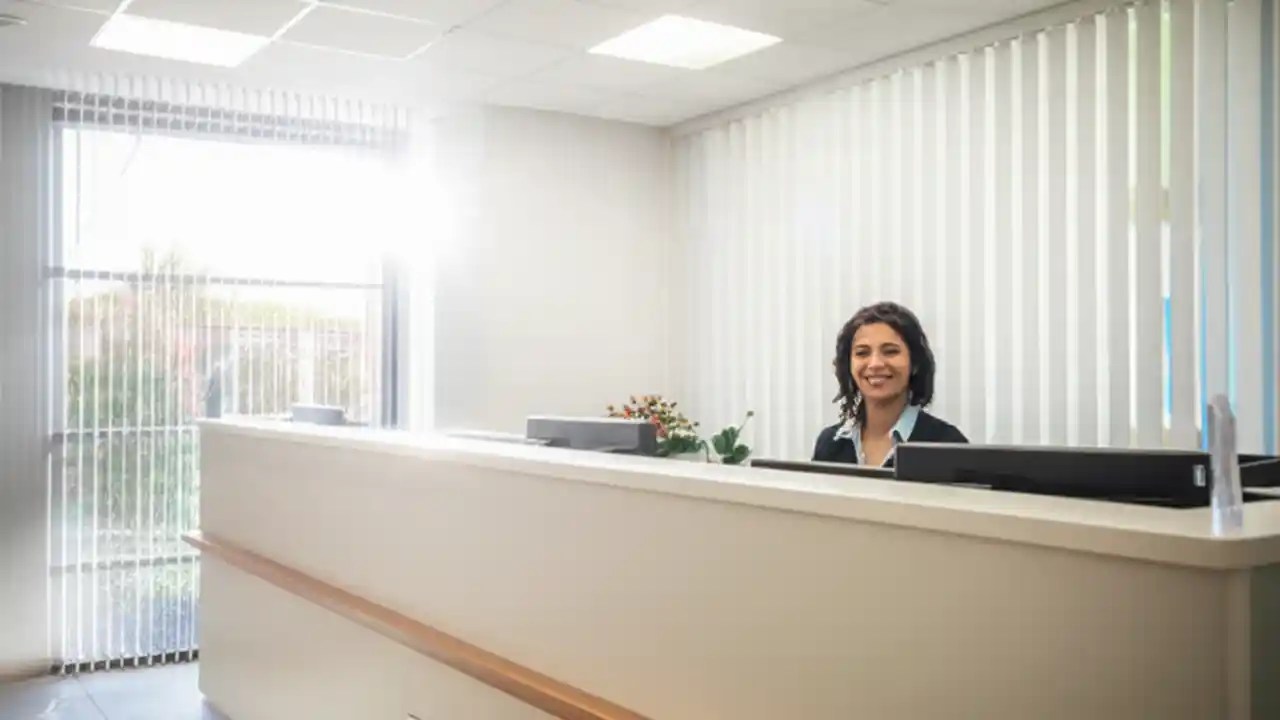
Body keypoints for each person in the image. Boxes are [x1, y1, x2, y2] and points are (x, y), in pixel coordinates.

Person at [813, 302, 967, 467]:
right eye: (862, 353)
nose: (875, 364)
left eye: (890, 351)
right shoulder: (830, 444)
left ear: (915, 363)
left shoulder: (948, 446)